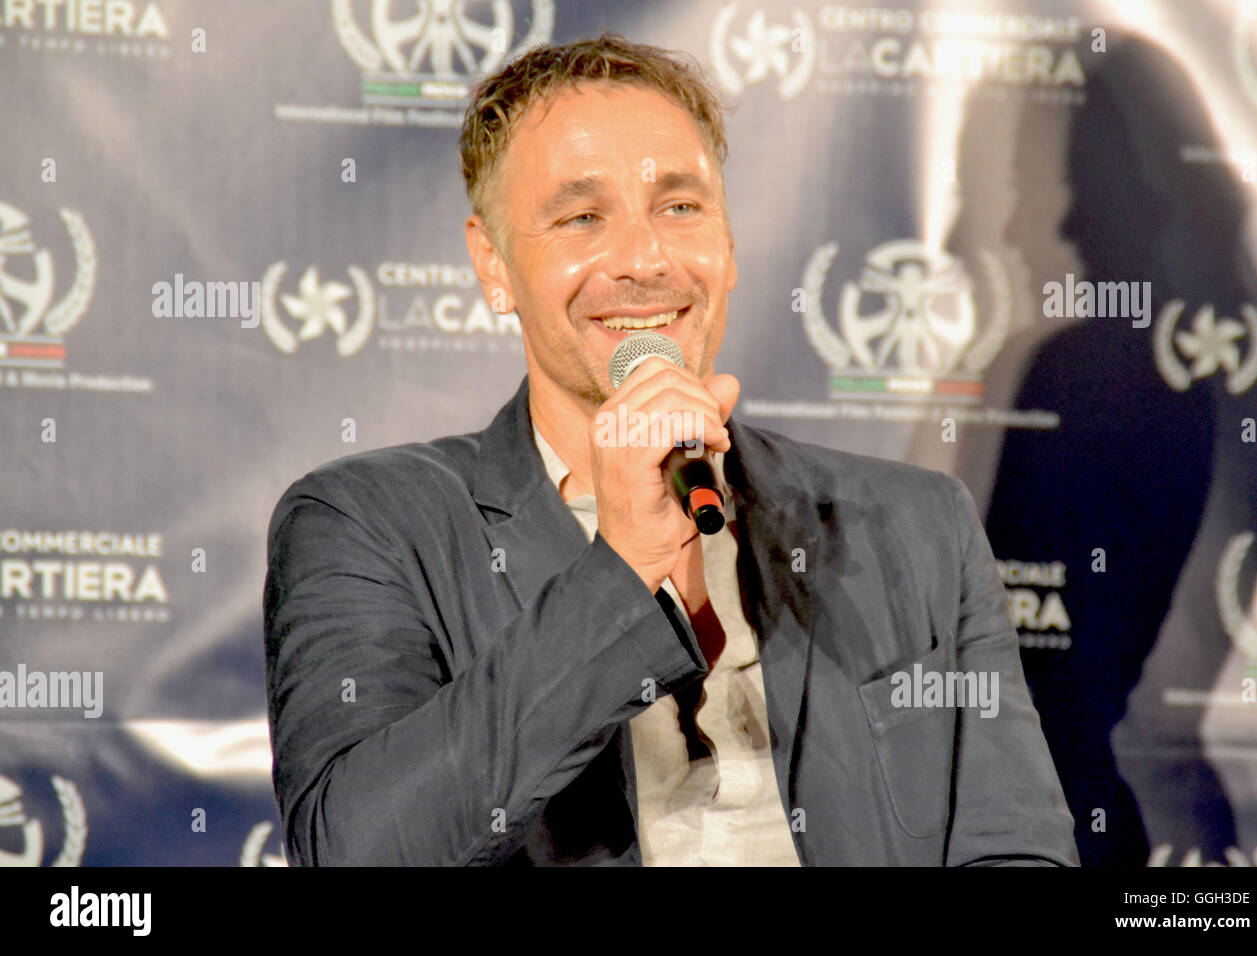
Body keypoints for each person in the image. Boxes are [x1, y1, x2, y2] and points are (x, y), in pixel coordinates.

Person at [262, 33, 1078, 866]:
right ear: (493, 264)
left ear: (727, 245)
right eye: (582, 217)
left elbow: (1015, 849)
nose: (644, 258)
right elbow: (353, 849)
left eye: (680, 207)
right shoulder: (370, 524)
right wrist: (620, 568)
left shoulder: (916, 525)